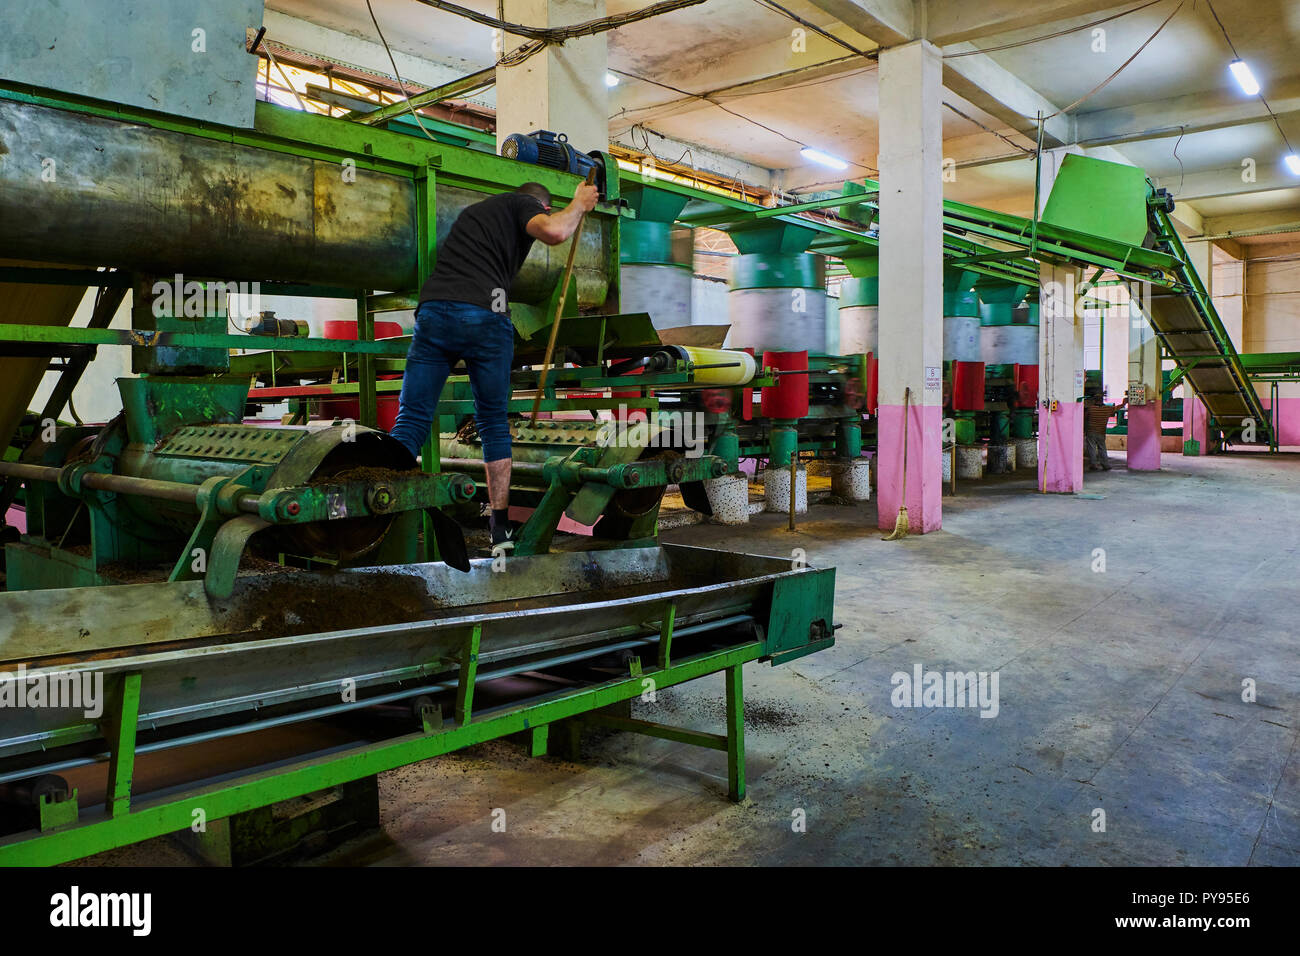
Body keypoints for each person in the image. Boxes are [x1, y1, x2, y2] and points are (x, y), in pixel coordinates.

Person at [390, 180, 599, 550]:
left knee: (412, 419)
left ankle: (380, 513)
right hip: (485, 317)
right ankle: (499, 532)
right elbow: (554, 232)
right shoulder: (524, 205)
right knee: (491, 423)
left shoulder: (475, 214)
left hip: (434, 311)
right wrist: (580, 204)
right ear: (541, 205)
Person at [1084, 389, 1127, 471]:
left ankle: (1093, 464)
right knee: (1102, 448)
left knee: (1092, 448)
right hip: (1101, 432)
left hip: (1091, 431)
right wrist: (1124, 403)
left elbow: (1085, 417)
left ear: (1094, 401)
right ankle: (1105, 465)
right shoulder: (1107, 409)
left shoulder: (1091, 409)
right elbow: (1117, 408)